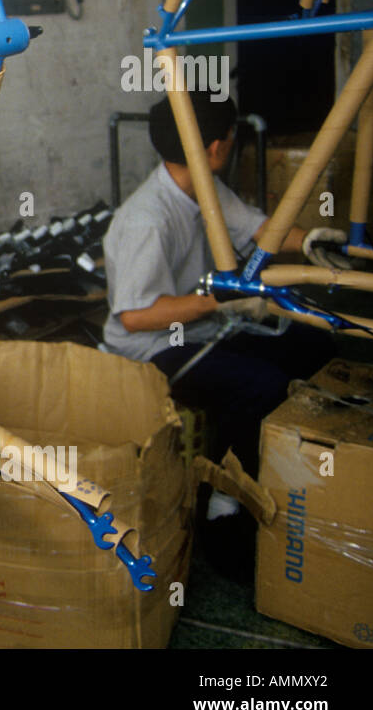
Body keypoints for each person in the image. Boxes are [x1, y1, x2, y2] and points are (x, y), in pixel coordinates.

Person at [103, 93, 339, 578]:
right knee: (260, 385)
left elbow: (260, 230)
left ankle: (295, 475)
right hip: (153, 350)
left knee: (313, 343)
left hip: (202, 327)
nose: (231, 145)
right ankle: (223, 508)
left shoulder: (204, 188)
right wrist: (225, 299)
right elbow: (135, 317)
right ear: (215, 147)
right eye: (230, 138)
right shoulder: (146, 218)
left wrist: (312, 241)